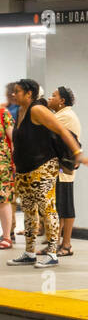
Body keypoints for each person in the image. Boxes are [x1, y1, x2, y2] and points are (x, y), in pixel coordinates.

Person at [5, 79, 88, 268]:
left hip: (43, 167)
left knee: (47, 209)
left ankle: (52, 252)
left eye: (17, 91)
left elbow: (61, 129)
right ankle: (29, 252)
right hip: (25, 169)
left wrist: (77, 153)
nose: (13, 94)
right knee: (28, 210)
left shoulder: (37, 110)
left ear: (29, 94)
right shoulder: (21, 111)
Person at [46, 86, 80, 256]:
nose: (49, 98)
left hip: (63, 170)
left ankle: (66, 245)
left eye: (53, 96)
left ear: (62, 101)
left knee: (65, 208)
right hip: (57, 169)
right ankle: (54, 243)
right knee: (57, 209)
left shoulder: (65, 116)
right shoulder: (60, 114)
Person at [0, 84, 17, 249]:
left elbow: (13, 139)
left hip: (2, 165)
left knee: (3, 199)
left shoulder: (3, 113)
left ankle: (6, 236)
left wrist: (15, 162)